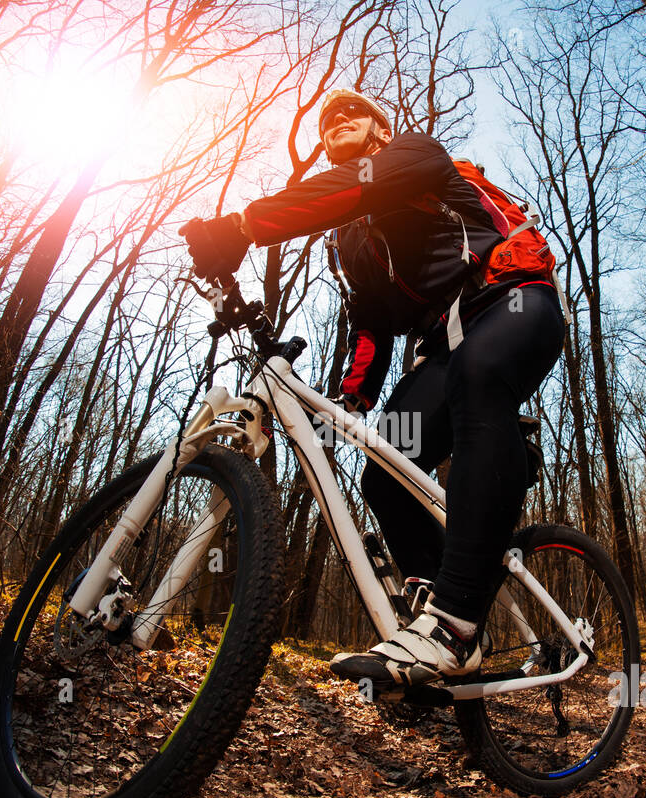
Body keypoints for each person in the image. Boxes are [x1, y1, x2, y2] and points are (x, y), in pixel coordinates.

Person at [180, 89, 565, 688]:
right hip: (443, 347)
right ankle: (432, 611)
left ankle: (457, 626)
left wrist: (245, 225)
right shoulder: (354, 241)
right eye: (327, 121)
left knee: (478, 375)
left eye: (352, 113)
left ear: (381, 128)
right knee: (385, 471)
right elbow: (371, 323)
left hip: (511, 300)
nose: (338, 121)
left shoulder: (416, 155)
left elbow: (354, 186)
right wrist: (352, 401)